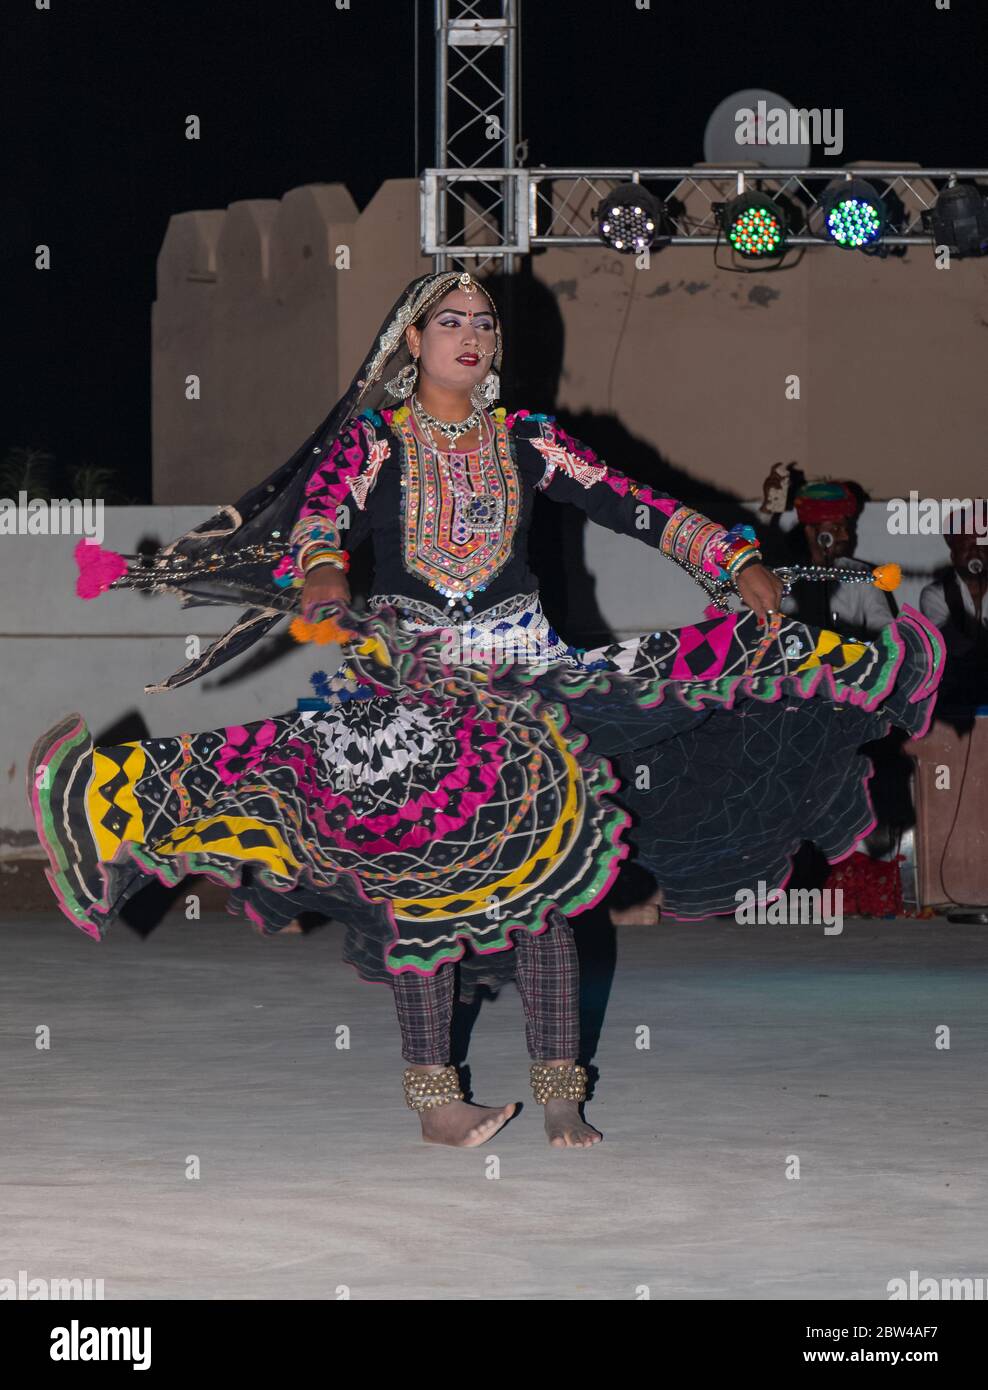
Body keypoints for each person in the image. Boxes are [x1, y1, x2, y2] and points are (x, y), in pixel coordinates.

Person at [29, 270, 944, 1151]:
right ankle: (436, 1100)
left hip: (527, 681)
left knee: (547, 888)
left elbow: (637, 505)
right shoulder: (375, 442)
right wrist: (320, 574)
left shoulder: (527, 439)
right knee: (420, 896)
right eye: (452, 322)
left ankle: (559, 1095)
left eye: (484, 324)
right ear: (413, 341)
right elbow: (321, 522)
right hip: (408, 692)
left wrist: (729, 559)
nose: (472, 337)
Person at [761, 475, 895, 638]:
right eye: (837, 528)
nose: (845, 537)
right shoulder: (784, 573)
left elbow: (886, 632)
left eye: (847, 528)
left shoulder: (861, 573)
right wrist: (768, 511)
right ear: (810, 531)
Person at [920, 510, 988, 706]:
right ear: (953, 555)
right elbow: (948, 639)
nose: (974, 552)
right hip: (955, 688)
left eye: (981, 545)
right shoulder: (936, 594)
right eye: (967, 546)